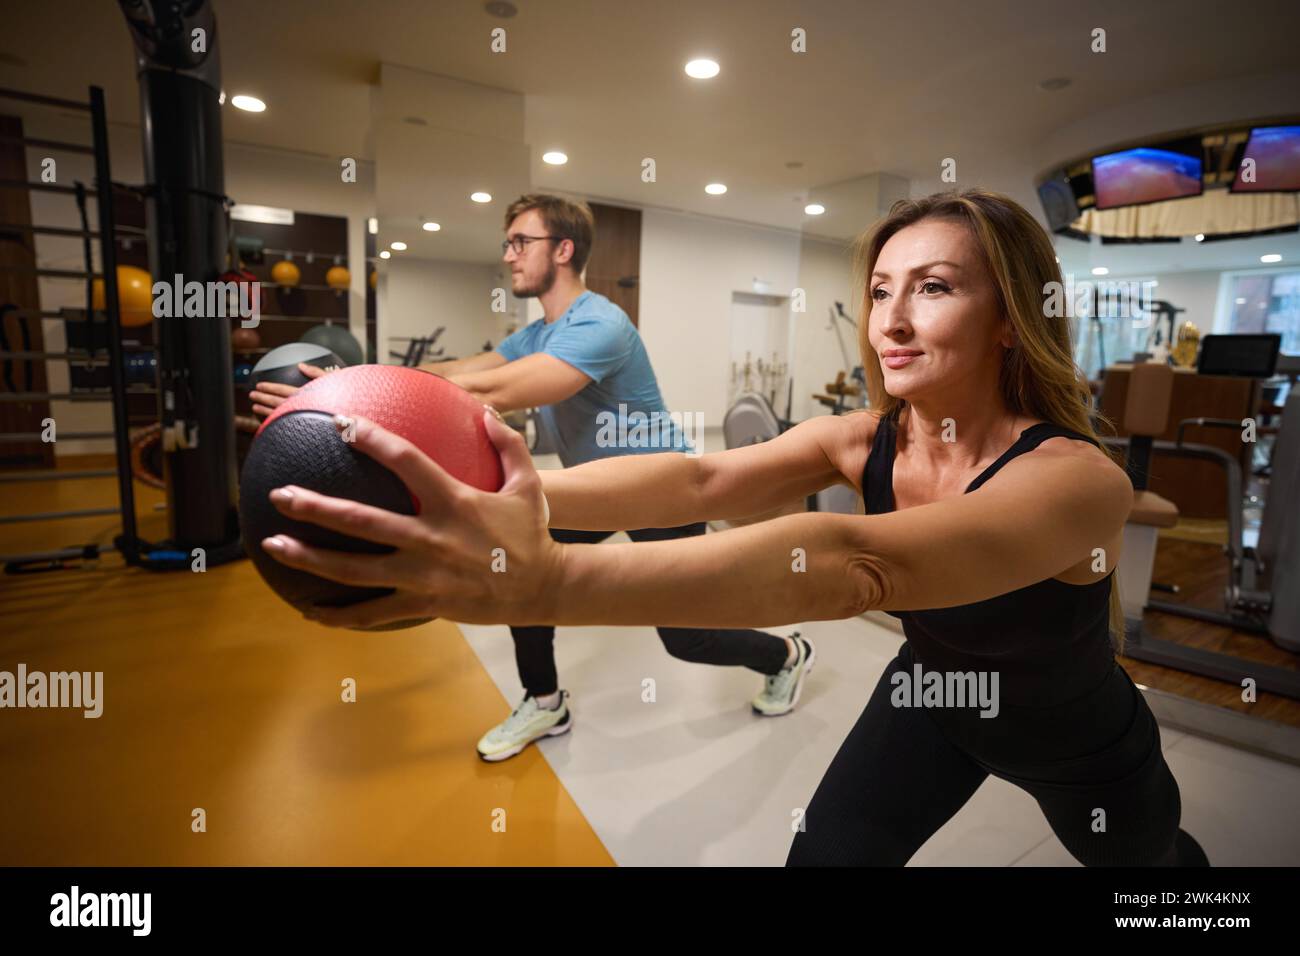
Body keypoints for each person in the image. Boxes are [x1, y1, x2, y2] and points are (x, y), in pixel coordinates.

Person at [256, 188, 1209, 866]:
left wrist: (545, 583)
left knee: (1161, 878)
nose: (893, 318)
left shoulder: (1080, 482)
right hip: (930, 699)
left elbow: (858, 566)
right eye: (881, 289)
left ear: (1010, 318)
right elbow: (701, 475)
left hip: (1071, 735)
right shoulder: (860, 437)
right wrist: (498, 496)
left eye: (935, 287)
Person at [251, 194, 808, 763]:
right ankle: (545, 702)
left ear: (563, 249)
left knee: (689, 637)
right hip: (591, 489)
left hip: (660, 493)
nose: (510, 256)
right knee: (519, 578)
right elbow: (463, 370)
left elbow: (497, 391)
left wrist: (350, 396)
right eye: (508, 243)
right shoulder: (537, 331)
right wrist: (356, 381)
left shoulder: (602, 323)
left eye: (522, 242)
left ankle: (786, 655)